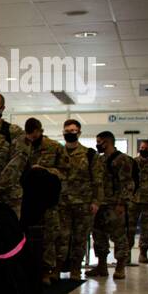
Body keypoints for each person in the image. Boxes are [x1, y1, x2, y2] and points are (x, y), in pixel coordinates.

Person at [21, 118, 66, 283]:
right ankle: (28, 268)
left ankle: (46, 270)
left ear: (40, 130)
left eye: (34, 133)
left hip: (48, 198)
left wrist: (45, 170)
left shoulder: (54, 147)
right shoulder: (23, 145)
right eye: (29, 134)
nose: (32, 137)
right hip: (27, 198)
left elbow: (65, 172)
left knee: (48, 234)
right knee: (26, 233)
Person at [88, 130, 134, 280]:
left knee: (119, 236)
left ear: (107, 142)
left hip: (115, 204)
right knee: (99, 236)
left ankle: (120, 267)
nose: (98, 145)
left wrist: (122, 203)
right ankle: (101, 266)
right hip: (100, 204)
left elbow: (127, 183)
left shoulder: (123, 160)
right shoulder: (99, 160)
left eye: (99, 141)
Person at [56, 119, 97, 281]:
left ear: (79, 133)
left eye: (73, 131)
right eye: (67, 131)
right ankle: (57, 269)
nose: (70, 133)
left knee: (79, 238)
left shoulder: (89, 154)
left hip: (83, 203)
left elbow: (97, 179)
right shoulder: (57, 152)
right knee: (61, 237)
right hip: (62, 202)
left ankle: (75, 269)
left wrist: (96, 201)